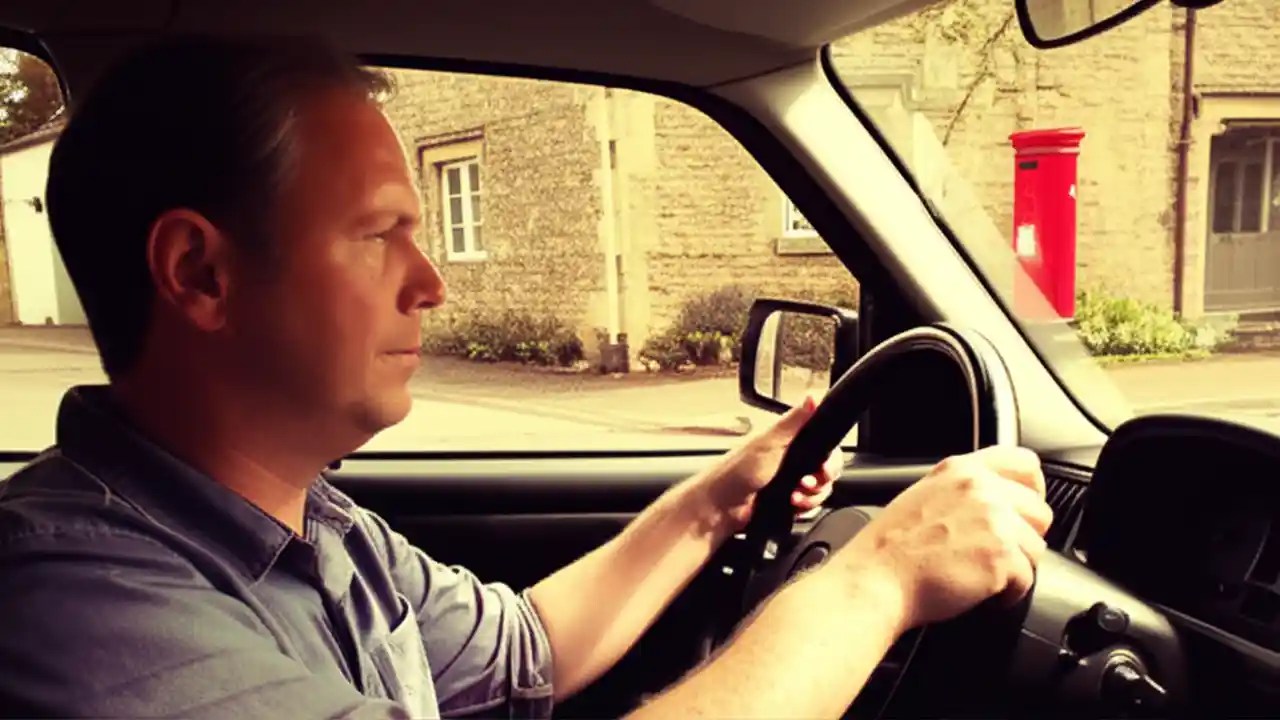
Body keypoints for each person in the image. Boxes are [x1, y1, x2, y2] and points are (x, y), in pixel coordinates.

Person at [0, 36, 1052, 719]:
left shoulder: (313, 524)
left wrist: (713, 504)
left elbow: (527, 648)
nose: (429, 285)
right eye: (377, 234)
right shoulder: (75, 607)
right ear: (202, 274)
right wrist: (876, 581)